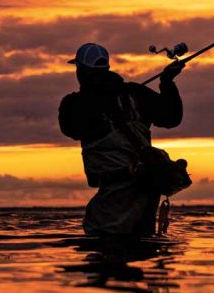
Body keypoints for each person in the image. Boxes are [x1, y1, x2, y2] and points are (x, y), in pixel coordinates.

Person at [59, 42, 184, 236]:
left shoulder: (75, 105)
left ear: (82, 71)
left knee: (104, 249)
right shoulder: (136, 94)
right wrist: (167, 83)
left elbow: (69, 128)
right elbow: (172, 117)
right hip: (146, 194)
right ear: (107, 68)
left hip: (113, 199)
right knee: (143, 249)